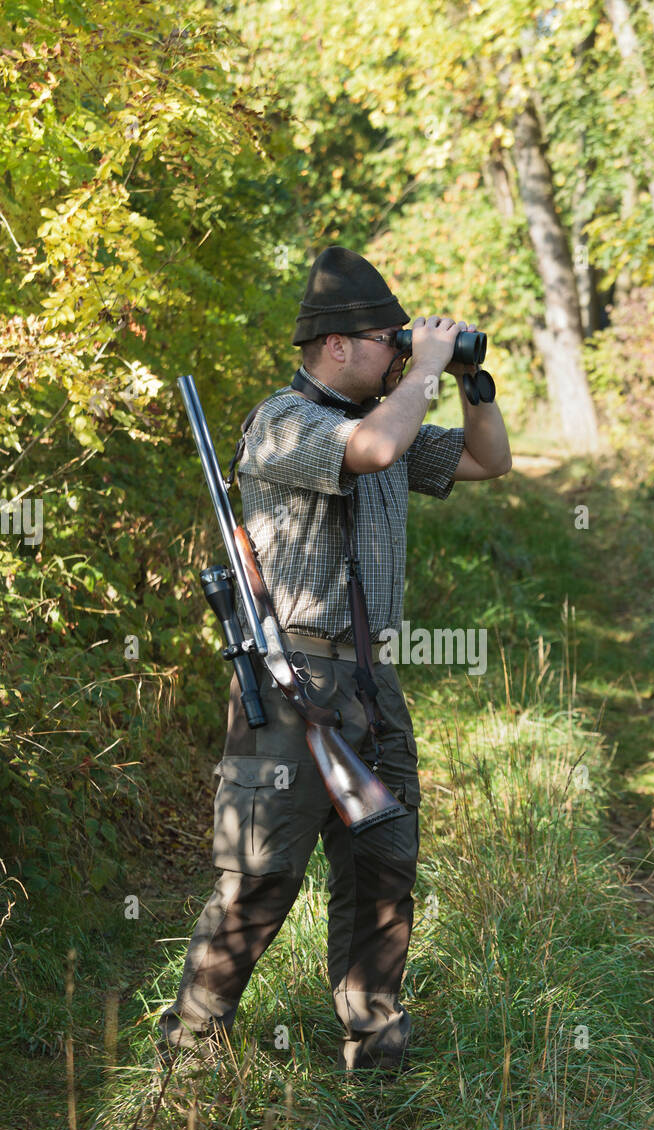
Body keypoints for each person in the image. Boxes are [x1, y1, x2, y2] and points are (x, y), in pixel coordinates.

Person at [159, 245, 511, 1073]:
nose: (399, 351)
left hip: (370, 682)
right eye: (389, 339)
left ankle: (376, 1049)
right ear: (337, 345)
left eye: (404, 341)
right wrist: (422, 370)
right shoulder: (285, 422)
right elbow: (375, 451)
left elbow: (489, 461)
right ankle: (191, 1052)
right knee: (261, 878)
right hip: (294, 684)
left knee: (383, 870)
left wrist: (466, 381)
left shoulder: (392, 417)